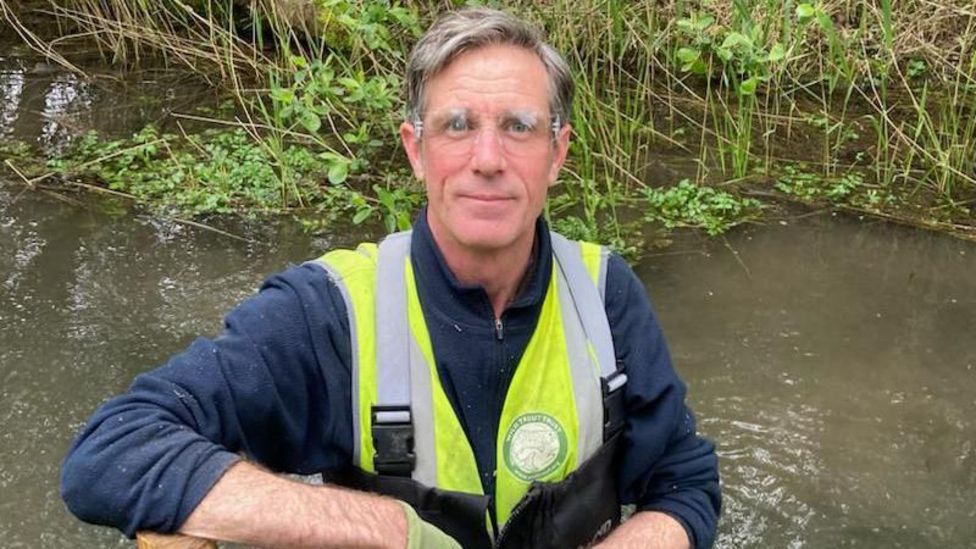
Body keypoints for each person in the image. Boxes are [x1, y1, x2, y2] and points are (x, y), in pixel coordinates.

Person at [61, 8, 720, 548]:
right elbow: (113, 451)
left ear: (557, 153)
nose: (487, 158)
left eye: (519, 127)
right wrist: (388, 527)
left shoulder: (604, 295)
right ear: (416, 149)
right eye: (457, 125)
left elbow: (685, 484)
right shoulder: (334, 311)